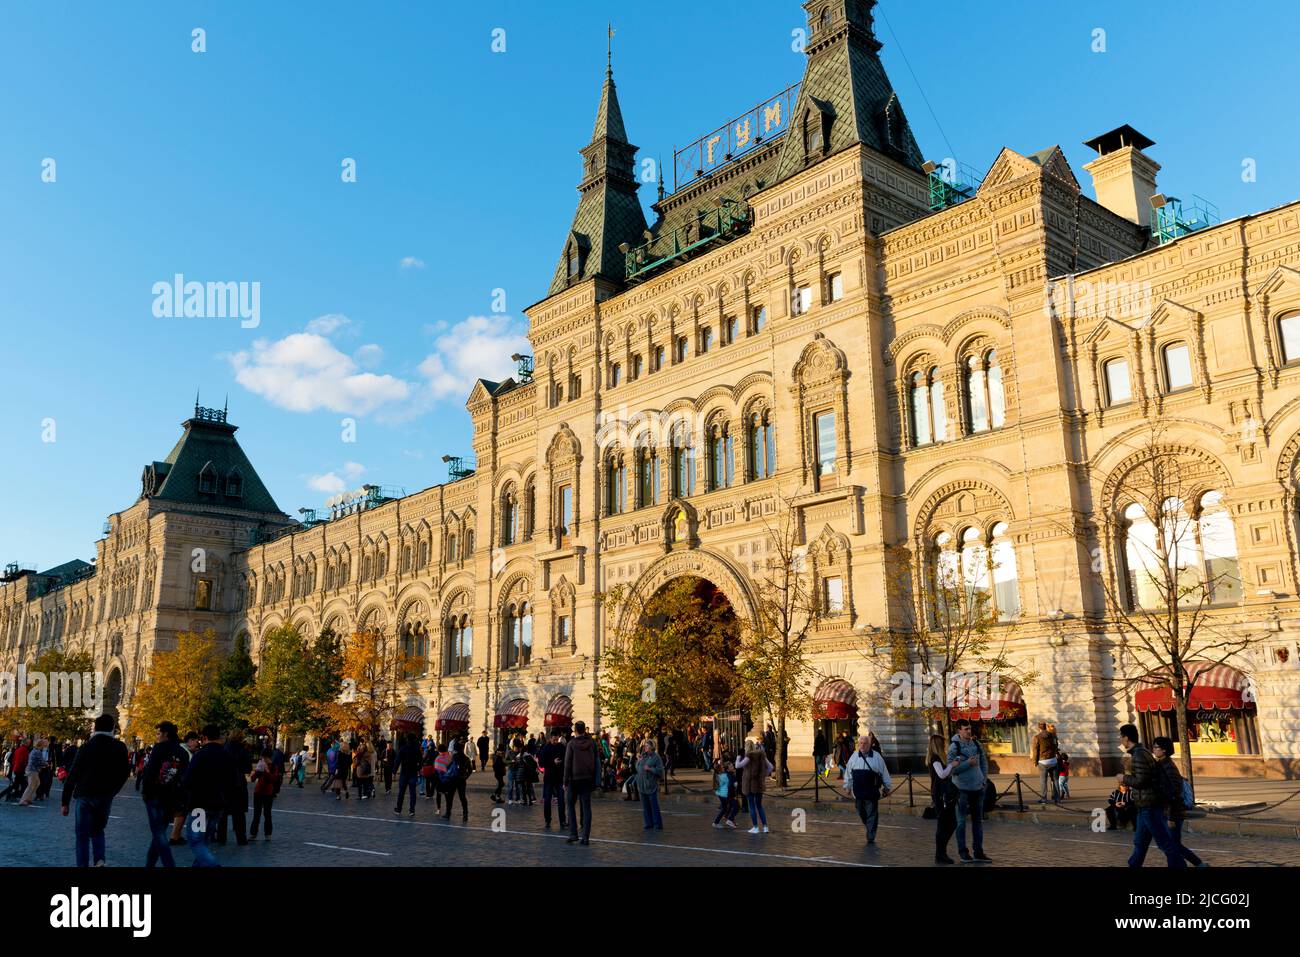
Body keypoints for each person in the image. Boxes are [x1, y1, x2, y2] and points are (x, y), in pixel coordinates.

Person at [61, 714, 130, 867]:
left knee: (82, 835)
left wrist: (65, 801)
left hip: (85, 794)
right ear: (112, 728)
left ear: (95, 728)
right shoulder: (119, 747)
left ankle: (83, 865)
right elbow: (124, 772)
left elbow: (73, 775)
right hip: (105, 795)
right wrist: (113, 790)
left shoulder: (86, 747)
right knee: (98, 829)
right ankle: (99, 859)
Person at [1117, 724, 1185, 868]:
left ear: (1126, 738)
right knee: (1140, 842)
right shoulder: (1140, 753)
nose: (1120, 739)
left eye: (1121, 736)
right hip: (1143, 806)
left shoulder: (1139, 755)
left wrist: (1124, 778)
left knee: (1164, 843)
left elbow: (1142, 780)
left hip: (1149, 806)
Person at [181, 724, 244, 867]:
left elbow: (188, 780)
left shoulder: (201, 755)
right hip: (218, 805)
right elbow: (234, 782)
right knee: (204, 841)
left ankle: (213, 865)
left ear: (204, 738)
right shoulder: (227, 755)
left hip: (200, 806)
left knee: (196, 840)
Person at [1151, 737, 1206, 867]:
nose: (1153, 749)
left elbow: (1173, 794)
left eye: (1156, 747)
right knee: (1172, 844)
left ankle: (1196, 864)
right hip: (1166, 812)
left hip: (1173, 813)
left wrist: (1170, 817)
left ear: (1164, 750)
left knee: (1172, 845)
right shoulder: (1161, 765)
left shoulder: (1168, 767)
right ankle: (1198, 864)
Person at [141, 722, 189, 867]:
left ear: (165, 734)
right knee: (159, 832)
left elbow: (150, 773)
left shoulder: (159, 748)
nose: (157, 736)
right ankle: (149, 864)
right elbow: (183, 777)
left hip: (155, 795)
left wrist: (146, 793)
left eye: (158, 733)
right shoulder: (183, 752)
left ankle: (169, 864)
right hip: (171, 797)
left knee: (159, 835)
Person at [946, 719, 992, 863]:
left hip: (978, 788)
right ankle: (963, 852)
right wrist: (967, 764)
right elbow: (950, 770)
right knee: (961, 822)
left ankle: (978, 852)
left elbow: (984, 763)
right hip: (961, 790)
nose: (969, 731)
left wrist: (984, 779)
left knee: (978, 822)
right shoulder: (954, 747)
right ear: (959, 731)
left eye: (970, 728)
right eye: (966, 729)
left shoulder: (977, 744)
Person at [842, 733, 892, 845]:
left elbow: (884, 773)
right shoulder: (854, 757)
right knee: (861, 812)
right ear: (858, 744)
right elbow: (848, 773)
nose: (863, 745)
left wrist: (887, 787)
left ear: (870, 745)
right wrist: (847, 786)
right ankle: (870, 826)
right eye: (860, 743)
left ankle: (870, 835)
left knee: (872, 814)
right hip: (858, 792)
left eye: (865, 743)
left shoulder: (877, 757)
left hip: (871, 792)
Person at [563, 720, 600, 846]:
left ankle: (574, 834)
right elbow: (597, 761)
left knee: (570, 805)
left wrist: (565, 781)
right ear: (585, 729)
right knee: (586, 808)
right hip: (587, 778)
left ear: (575, 730)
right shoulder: (592, 743)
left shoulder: (571, 744)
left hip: (574, 779)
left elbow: (567, 764)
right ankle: (585, 837)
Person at [927, 734, 960, 864]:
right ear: (938, 745)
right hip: (940, 795)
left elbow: (944, 774)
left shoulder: (938, 759)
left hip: (943, 793)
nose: (945, 747)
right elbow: (941, 775)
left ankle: (941, 853)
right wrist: (951, 765)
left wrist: (951, 766)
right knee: (945, 824)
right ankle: (940, 854)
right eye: (943, 744)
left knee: (950, 823)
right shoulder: (935, 758)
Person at [218, 731, 251, 845]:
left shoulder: (224, 749)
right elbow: (248, 768)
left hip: (225, 783)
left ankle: (221, 837)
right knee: (239, 813)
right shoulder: (243, 750)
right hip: (239, 783)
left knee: (223, 813)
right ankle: (241, 838)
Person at [735, 735, 773, 834]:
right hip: (759, 783)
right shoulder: (761, 755)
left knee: (751, 805)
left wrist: (738, 756)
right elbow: (770, 767)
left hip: (749, 783)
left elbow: (738, 765)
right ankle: (765, 827)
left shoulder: (749, 756)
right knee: (759, 806)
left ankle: (755, 827)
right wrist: (763, 774)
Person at [250, 747, 282, 839]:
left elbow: (274, 779)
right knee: (257, 814)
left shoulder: (273, 766)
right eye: (262, 757)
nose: (263, 759)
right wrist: (256, 771)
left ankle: (268, 833)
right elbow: (252, 779)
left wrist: (267, 771)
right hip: (258, 792)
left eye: (265, 757)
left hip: (268, 792)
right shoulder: (260, 765)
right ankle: (253, 833)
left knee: (267, 814)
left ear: (269, 757)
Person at [539, 731, 567, 828]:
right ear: (550, 738)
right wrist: (553, 762)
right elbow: (542, 763)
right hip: (549, 778)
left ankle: (562, 821)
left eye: (557, 739)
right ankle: (547, 820)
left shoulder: (562, 747)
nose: (555, 741)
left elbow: (566, 760)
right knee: (547, 800)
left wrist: (561, 762)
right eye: (554, 739)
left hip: (559, 778)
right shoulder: (545, 748)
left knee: (561, 800)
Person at [636, 739, 665, 830]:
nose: (645, 747)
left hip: (651, 785)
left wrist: (650, 769)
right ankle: (648, 823)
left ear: (652, 747)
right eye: (645, 746)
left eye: (647, 746)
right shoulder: (643, 756)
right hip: (642, 785)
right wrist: (638, 761)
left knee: (654, 806)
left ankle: (657, 824)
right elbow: (637, 768)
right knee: (645, 807)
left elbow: (660, 771)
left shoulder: (656, 757)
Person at [393, 733, 422, 816]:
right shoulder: (417, 749)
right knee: (412, 792)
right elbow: (420, 761)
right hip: (413, 773)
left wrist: (394, 771)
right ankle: (412, 810)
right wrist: (418, 769)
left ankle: (399, 809)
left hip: (404, 773)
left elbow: (397, 761)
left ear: (407, 739)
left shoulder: (403, 748)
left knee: (401, 792)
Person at [1031, 721, 1059, 804]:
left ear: (1039, 728)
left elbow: (1035, 750)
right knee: (1055, 780)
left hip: (1043, 761)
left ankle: (1044, 799)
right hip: (1053, 760)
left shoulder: (1037, 737)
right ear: (1045, 727)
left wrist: (1035, 761)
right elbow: (1055, 746)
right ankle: (1057, 799)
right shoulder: (1052, 736)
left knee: (1043, 781)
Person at [441, 745, 471, 822]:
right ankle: (465, 814)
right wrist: (465, 776)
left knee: (449, 797)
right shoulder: (466, 758)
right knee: (462, 797)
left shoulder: (452, 758)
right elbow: (470, 770)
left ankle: (448, 813)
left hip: (452, 780)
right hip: (461, 780)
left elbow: (446, 768)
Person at [18, 737, 48, 806]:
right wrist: (46, 764)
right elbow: (41, 762)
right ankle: (23, 800)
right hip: (32, 770)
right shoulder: (37, 752)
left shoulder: (35, 750)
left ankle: (28, 798)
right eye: (44, 745)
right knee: (31, 785)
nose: (44, 746)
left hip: (31, 769)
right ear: (41, 745)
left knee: (36, 783)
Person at [2, 737, 30, 803]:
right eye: (29, 742)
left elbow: (14, 760)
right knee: (24, 785)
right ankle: (14, 795)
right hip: (20, 770)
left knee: (15, 786)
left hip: (16, 769)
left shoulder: (18, 749)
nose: (29, 744)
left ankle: (12, 795)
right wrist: (25, 768)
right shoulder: (24, 750)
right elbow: (23, 761)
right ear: (26, 743)